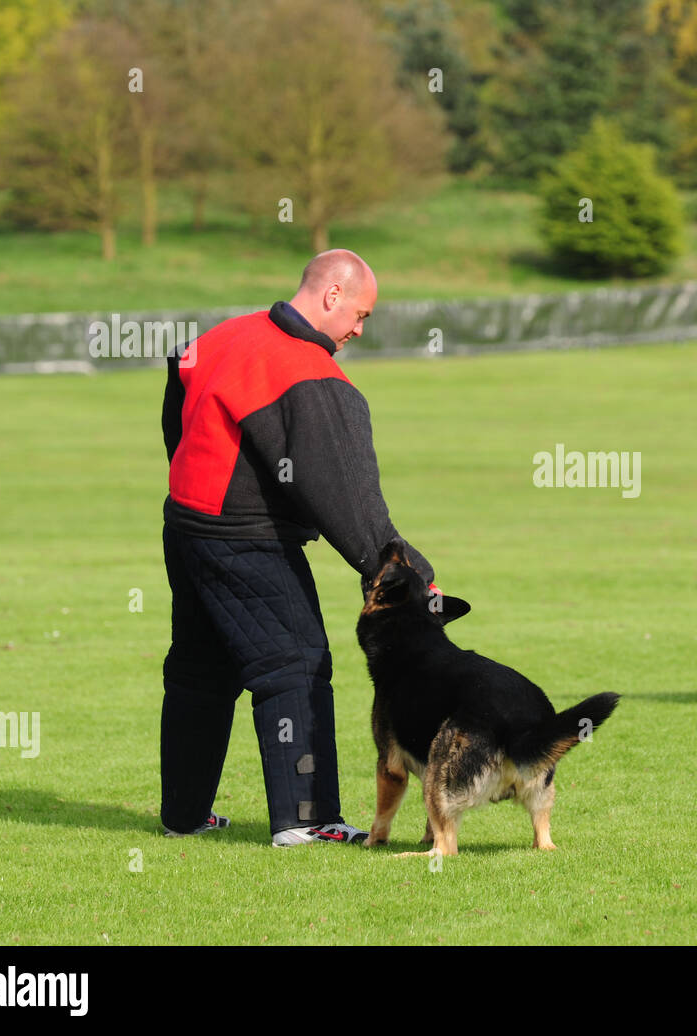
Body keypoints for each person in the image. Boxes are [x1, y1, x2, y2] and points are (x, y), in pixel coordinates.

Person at [159, 248, 435, 844]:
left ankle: (184, 815)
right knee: (296, 663)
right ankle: (308, 820)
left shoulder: (224, 336)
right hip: (244, 538)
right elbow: (343, 491)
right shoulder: (308, 374)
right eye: (360, 314)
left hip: (185, 526)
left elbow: (175, 416)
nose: (360, 329)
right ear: (332, 295)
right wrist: (398, 566)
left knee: (199, 670)